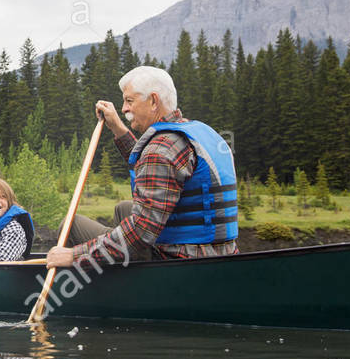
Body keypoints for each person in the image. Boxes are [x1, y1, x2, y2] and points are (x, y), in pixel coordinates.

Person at [47, 65, 238, 270]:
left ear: (153, 101)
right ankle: (109, 260)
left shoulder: (161, 148)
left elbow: (141, 232)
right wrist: (118, 129)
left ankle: (107, 290)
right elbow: (156, 172)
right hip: (219, 253)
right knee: (124, 209)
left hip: (180, 262)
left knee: (71, 224)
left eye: (130, 101)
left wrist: (75, 256)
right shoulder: (198, 132)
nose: (124, 109)